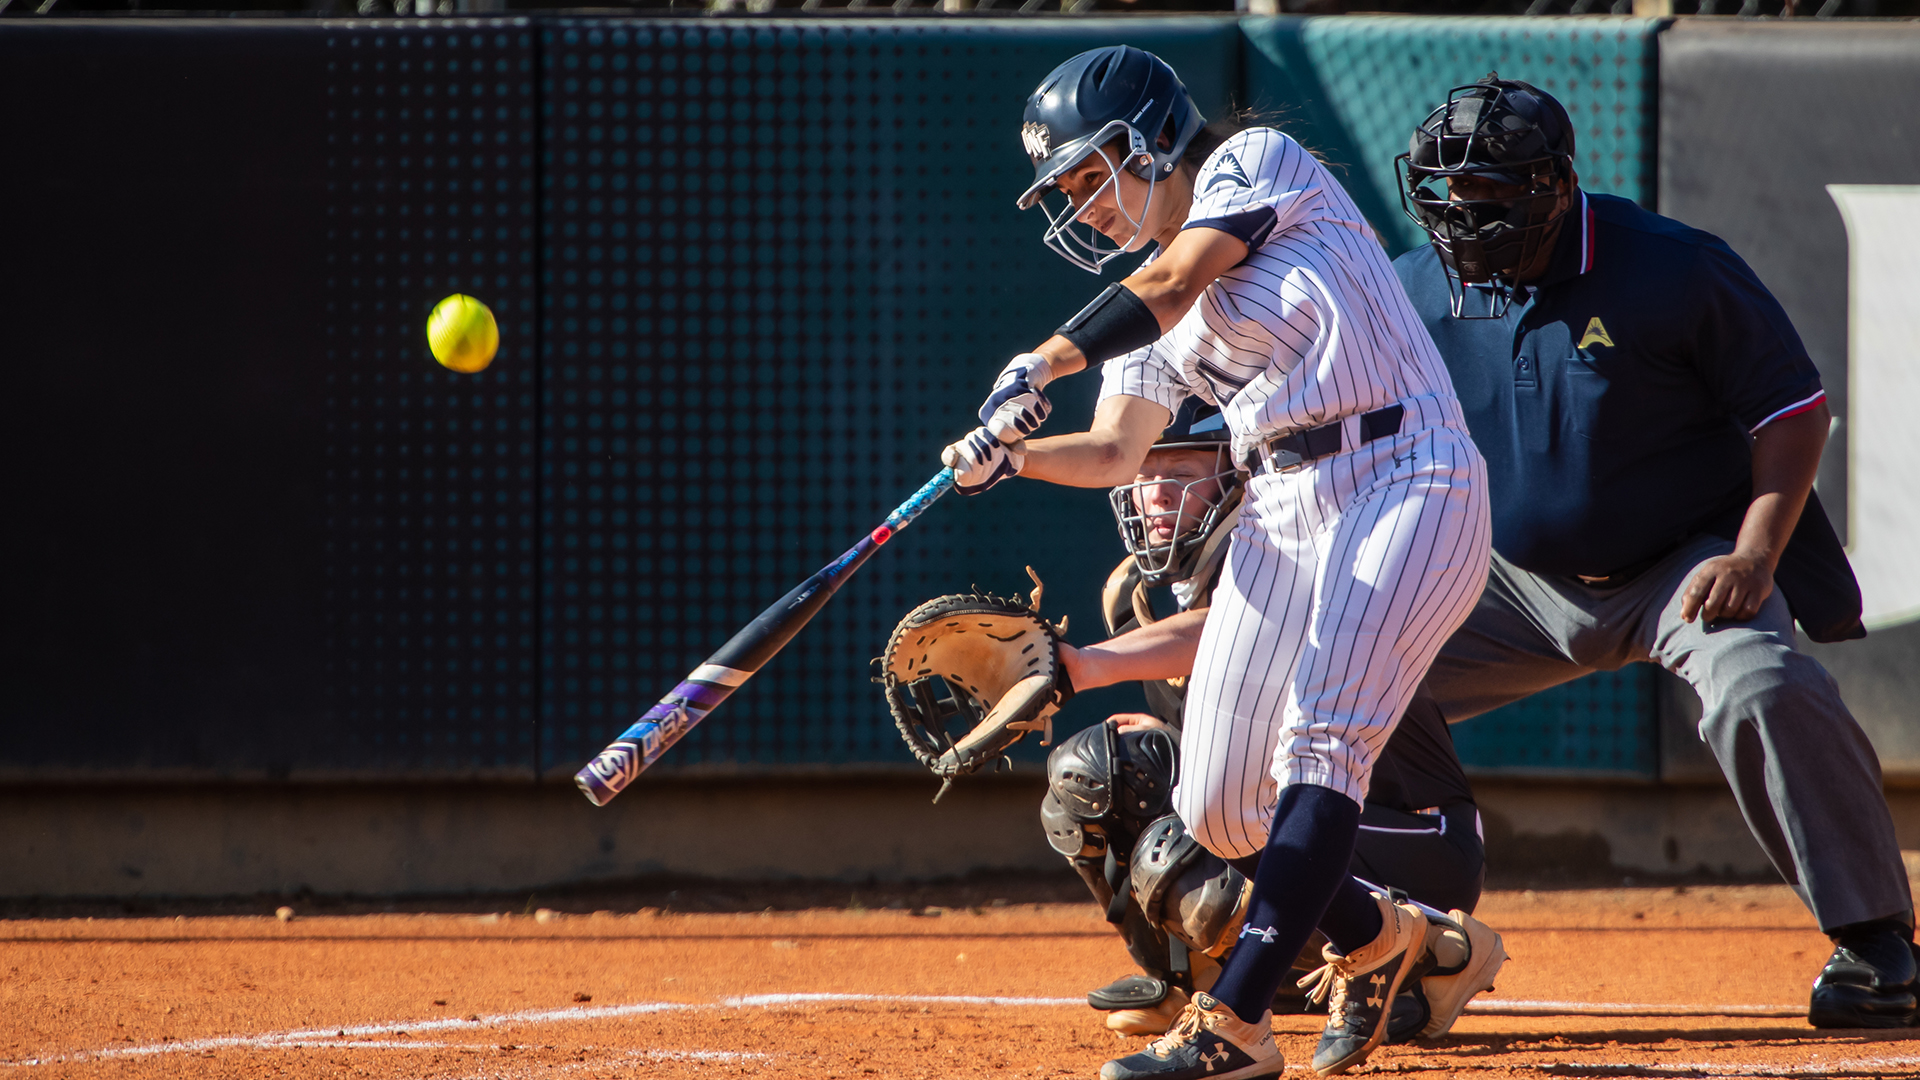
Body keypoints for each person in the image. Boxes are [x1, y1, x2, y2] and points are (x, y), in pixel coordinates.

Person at [941, 45, 1493, 1079]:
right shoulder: (1141, 313)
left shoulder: (1256, 160)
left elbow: (1173, 279)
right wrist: (1012, 457)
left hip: (1406, 469)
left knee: (1320, 744)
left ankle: (1235, 1025)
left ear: (1150, 138)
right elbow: (1116, 451)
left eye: (1087, 172)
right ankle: (1382, 935)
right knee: (1220, 809)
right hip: (1283, 501)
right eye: (1066, 185)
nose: (1081, 202)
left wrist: (1042, 359)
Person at [1391, 75, 1917, 1029]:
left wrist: (1755, 555)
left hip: (1685, 564)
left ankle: (1877, 942)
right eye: (1451, 192)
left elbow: (1792, 413)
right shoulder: (1411, 287)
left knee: (1762, 681)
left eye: (1494, 191)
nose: (1468, 214)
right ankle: (1362, 933)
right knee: (1335, 675)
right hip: (1506, 580)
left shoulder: (1673, 267)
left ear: (1557, 185)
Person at [1043, 398, 1504, 1043]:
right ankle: (1193, 979)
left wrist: (1088, 664)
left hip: (1413, 835)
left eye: (1181, 473)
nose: (1157, 494)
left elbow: (1237, 631)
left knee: (1190, 833)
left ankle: (1434, 952)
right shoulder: (1135, 594)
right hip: (1290, 821)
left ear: (1238, 478)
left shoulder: (1298, 552)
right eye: (1145, 474)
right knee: (1099, 773)